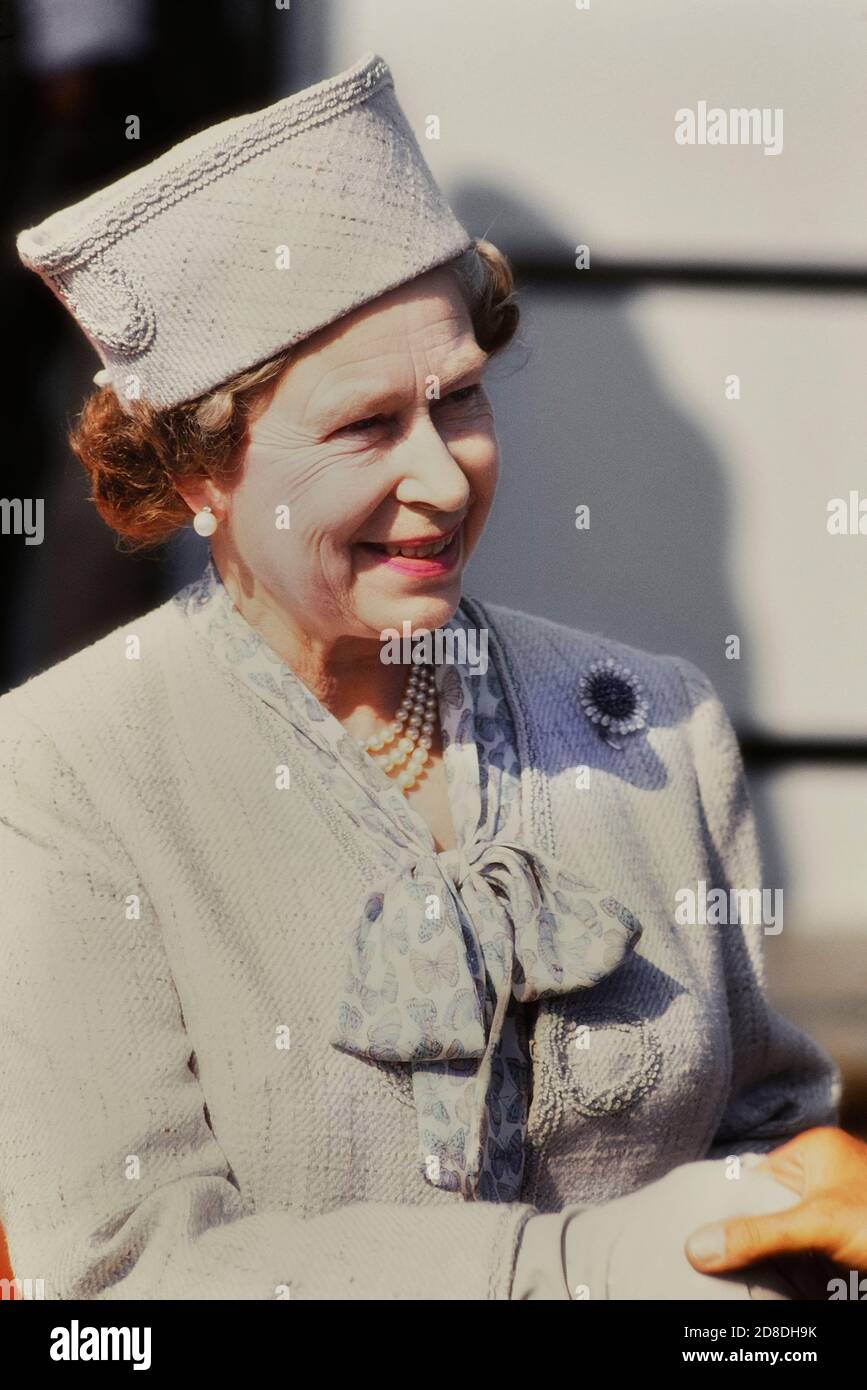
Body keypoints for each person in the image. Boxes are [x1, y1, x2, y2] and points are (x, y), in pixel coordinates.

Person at [0, 51, 841, 1300]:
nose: (444, 477)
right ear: (198, 471)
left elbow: (768, 1155)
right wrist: (578, 1268)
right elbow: (128, 1275)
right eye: (362, 426)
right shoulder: (69, 769)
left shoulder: (658, 723)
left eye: (458, 400)